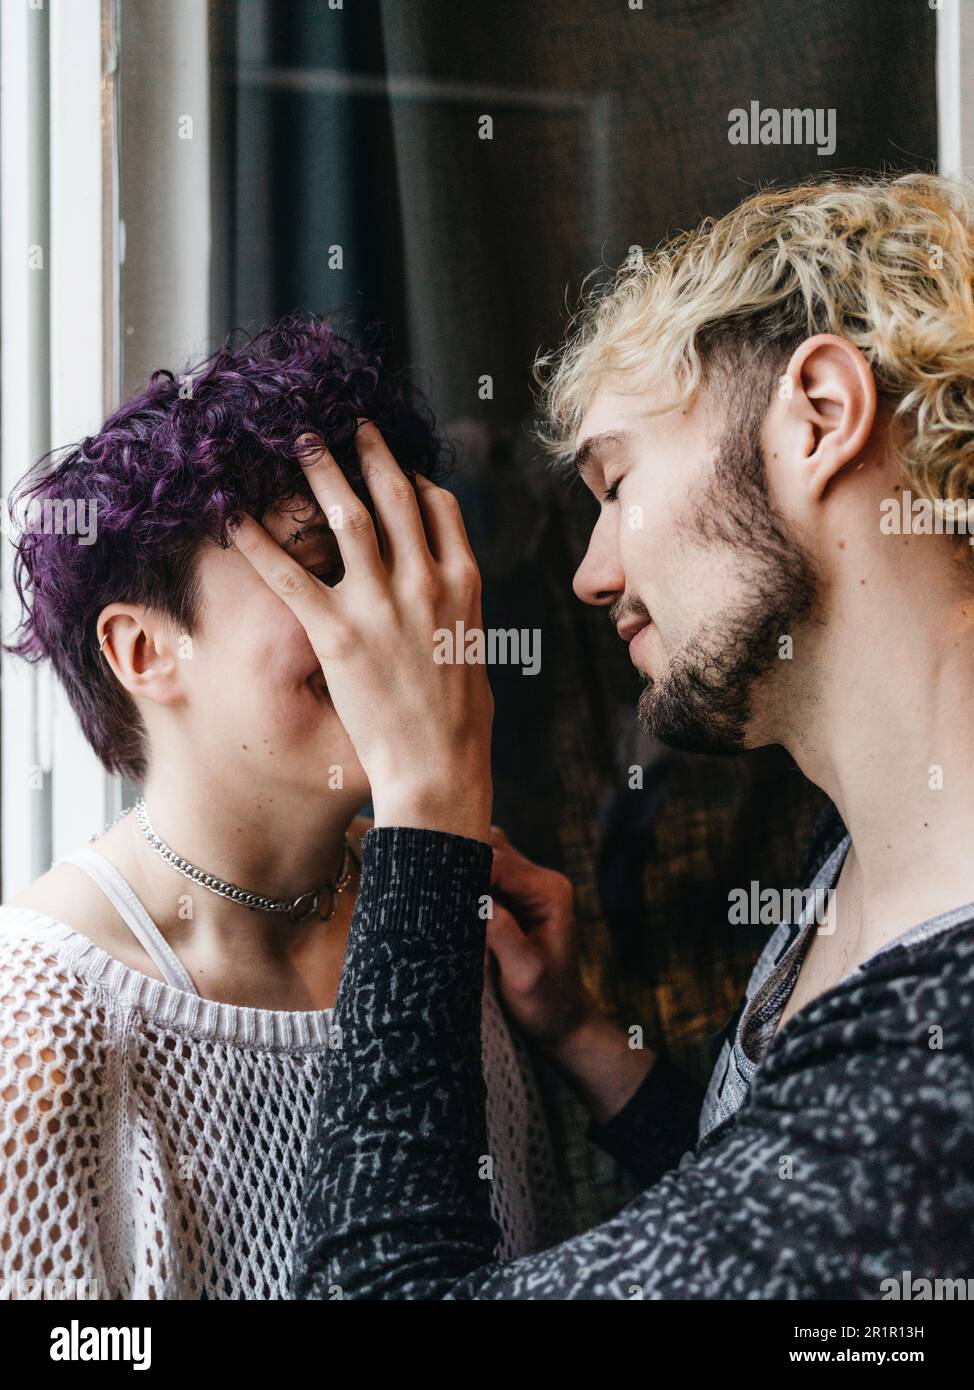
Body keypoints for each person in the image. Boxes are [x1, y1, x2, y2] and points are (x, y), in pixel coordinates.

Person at [277, 171, 974, 1299]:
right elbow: (770, 1245)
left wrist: (427, 802)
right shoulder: (857, 852)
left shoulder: (938, 1034)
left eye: (616, 480)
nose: (592, 575)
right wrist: (589, 1044)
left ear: (818, 416)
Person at [0, 315, 564, 1300]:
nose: (398, 611)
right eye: (323, 557)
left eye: (397, 555)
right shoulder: (36, 1025)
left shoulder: (453, 926)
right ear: (144, 651)